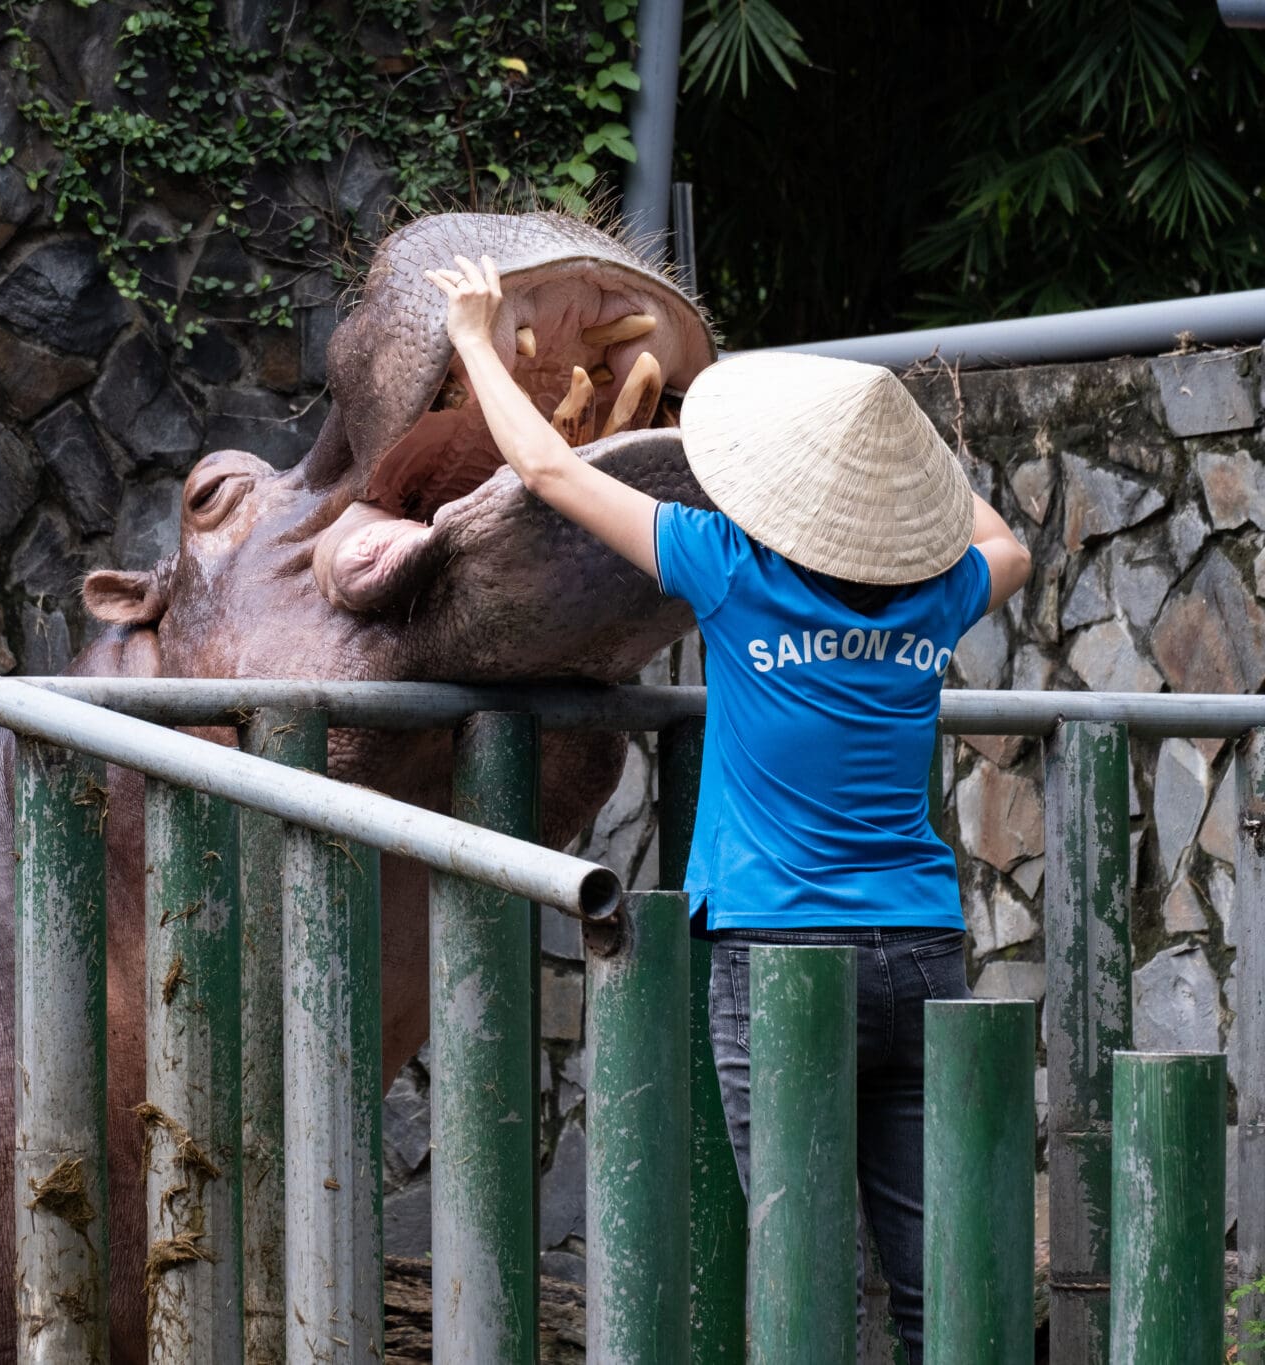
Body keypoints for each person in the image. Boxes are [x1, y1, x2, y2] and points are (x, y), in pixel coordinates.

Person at [425, 253, 1031, 1361]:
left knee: (798, 1268)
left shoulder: (730, 568)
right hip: (923, 955)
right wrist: (912, 471)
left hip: (781, 953)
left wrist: (472, 336)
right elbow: (1006, 545)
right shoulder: (935, 595)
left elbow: (548, 472)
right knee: (933, 1279)